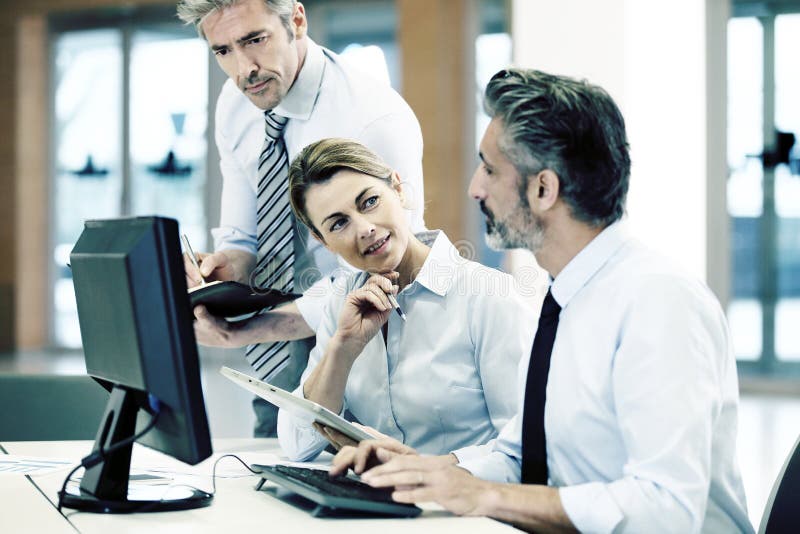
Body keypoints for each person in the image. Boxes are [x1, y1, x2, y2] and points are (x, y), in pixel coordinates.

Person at [330, 69, 754, 533]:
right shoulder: (567, 298)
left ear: (544, 189)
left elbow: (665, 510)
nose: (475, 187)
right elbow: (519, 454)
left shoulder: (658, 301)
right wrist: (422, 471)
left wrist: (487, 496)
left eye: (489, 169)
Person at [175, 0, 425, 437]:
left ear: (296, 20)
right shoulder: (237, 104)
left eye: (255, 40)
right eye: (223, 51)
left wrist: (251, 330)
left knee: (350, 478)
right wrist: (218, 273)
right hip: (277, 340)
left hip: (367, 337)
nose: (243, 68)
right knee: (274, 469)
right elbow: (244, 237)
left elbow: (388, 274)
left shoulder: (371, 119)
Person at [275, 138, 535, 462]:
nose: (365, 229)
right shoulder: (341, 303)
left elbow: (525, 449)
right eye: (339, 223)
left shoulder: (489, 298)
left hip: (461, 506)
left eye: (369, 202)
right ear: (322, 240)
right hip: (376, 505)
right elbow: (297, 444)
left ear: (397, 189)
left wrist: (422, 470)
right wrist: (342, 349)